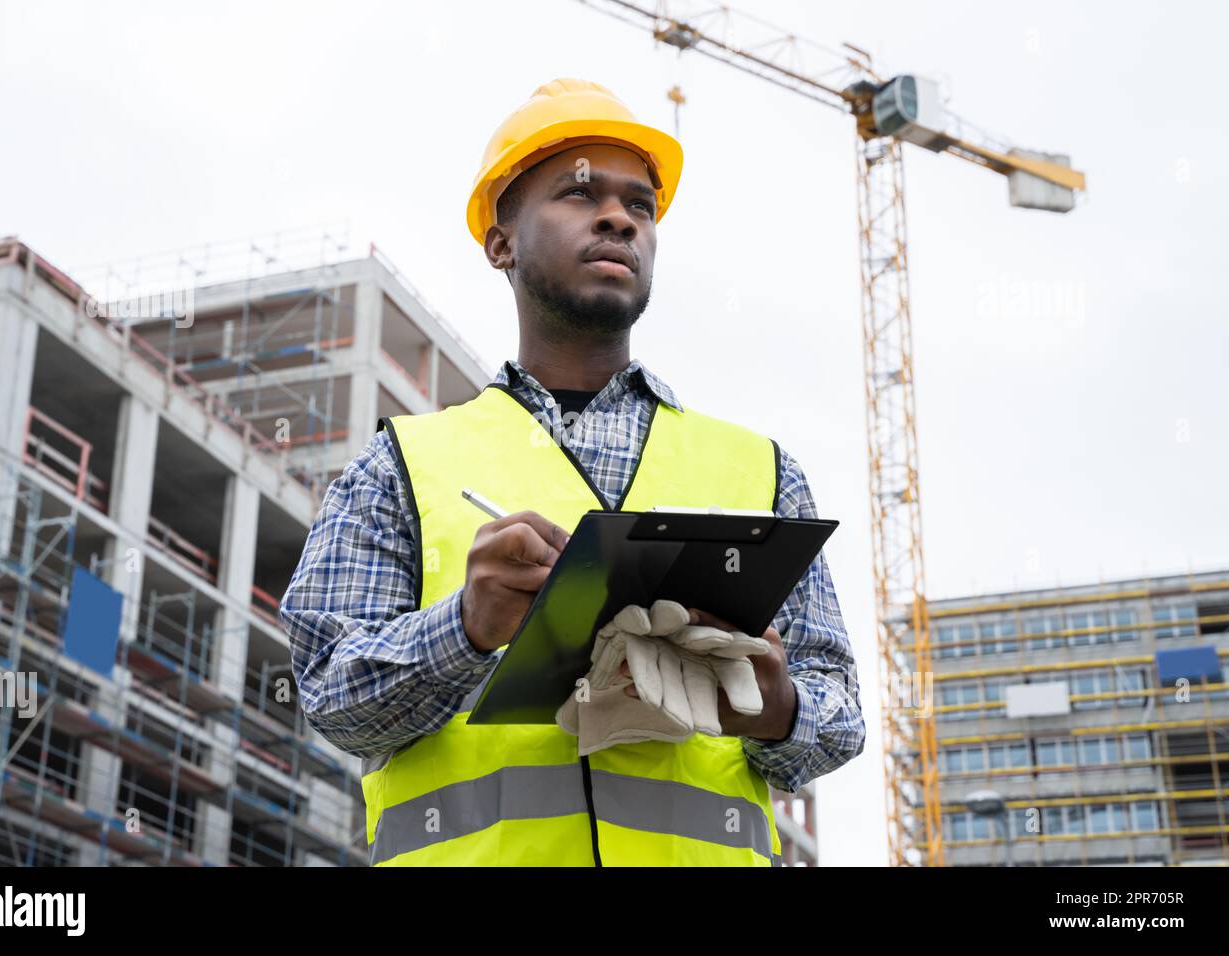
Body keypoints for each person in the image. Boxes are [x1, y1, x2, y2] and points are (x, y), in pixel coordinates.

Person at [281, 78, 865, 866]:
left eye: (642, 206)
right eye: (579, 192)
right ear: (501, 242)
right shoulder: (399, 468)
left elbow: (840, 717)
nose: (619, 217)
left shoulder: (762, 472)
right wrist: (465, 629)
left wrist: (775, 706)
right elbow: (331, 700)